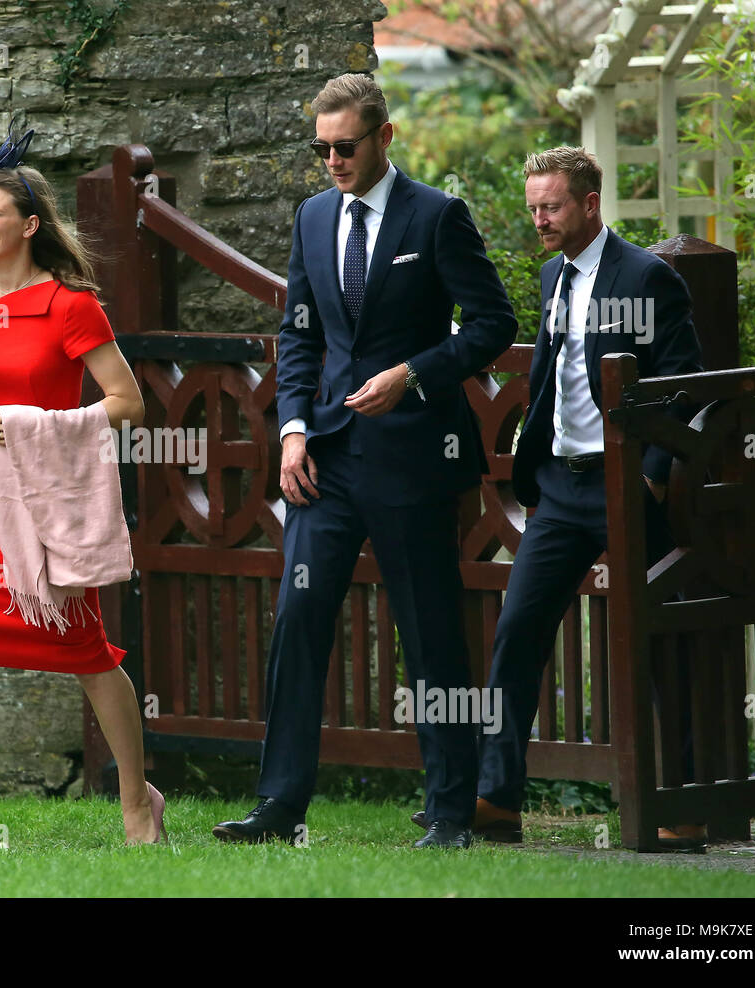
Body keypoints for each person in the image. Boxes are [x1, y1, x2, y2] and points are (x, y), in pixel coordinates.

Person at [212, 74, 517, 849]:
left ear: (385, 138)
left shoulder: (438, 215)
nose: (332, 162)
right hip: (327, 461)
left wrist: (413, 374)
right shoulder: (313, 218)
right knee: (299, 619)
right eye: (321, 149)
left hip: (415, 459)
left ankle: (451, 811)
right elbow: (302, 337)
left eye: (345, 147)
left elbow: (491, 324)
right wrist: (289, 432)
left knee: (432, 633)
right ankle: (280, 805)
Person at [0, 138, 165, 863]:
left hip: (41, 513)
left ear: (29, 225)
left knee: (88, 655)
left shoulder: (69, 306)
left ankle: (137, 800)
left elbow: (127, 402)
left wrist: (40, 424)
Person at [432, 146, 704, 848]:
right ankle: (498, 800)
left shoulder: (648, 276)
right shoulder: (554, 275)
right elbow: (555, 372)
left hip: (627, 485)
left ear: (589, 203)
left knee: (659, 640)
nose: (539, 219)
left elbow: (684, 382)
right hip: (559, 486)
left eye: (550, 206)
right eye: (532, 207)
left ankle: (682, 807)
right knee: (518, 633)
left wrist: (648, 471)